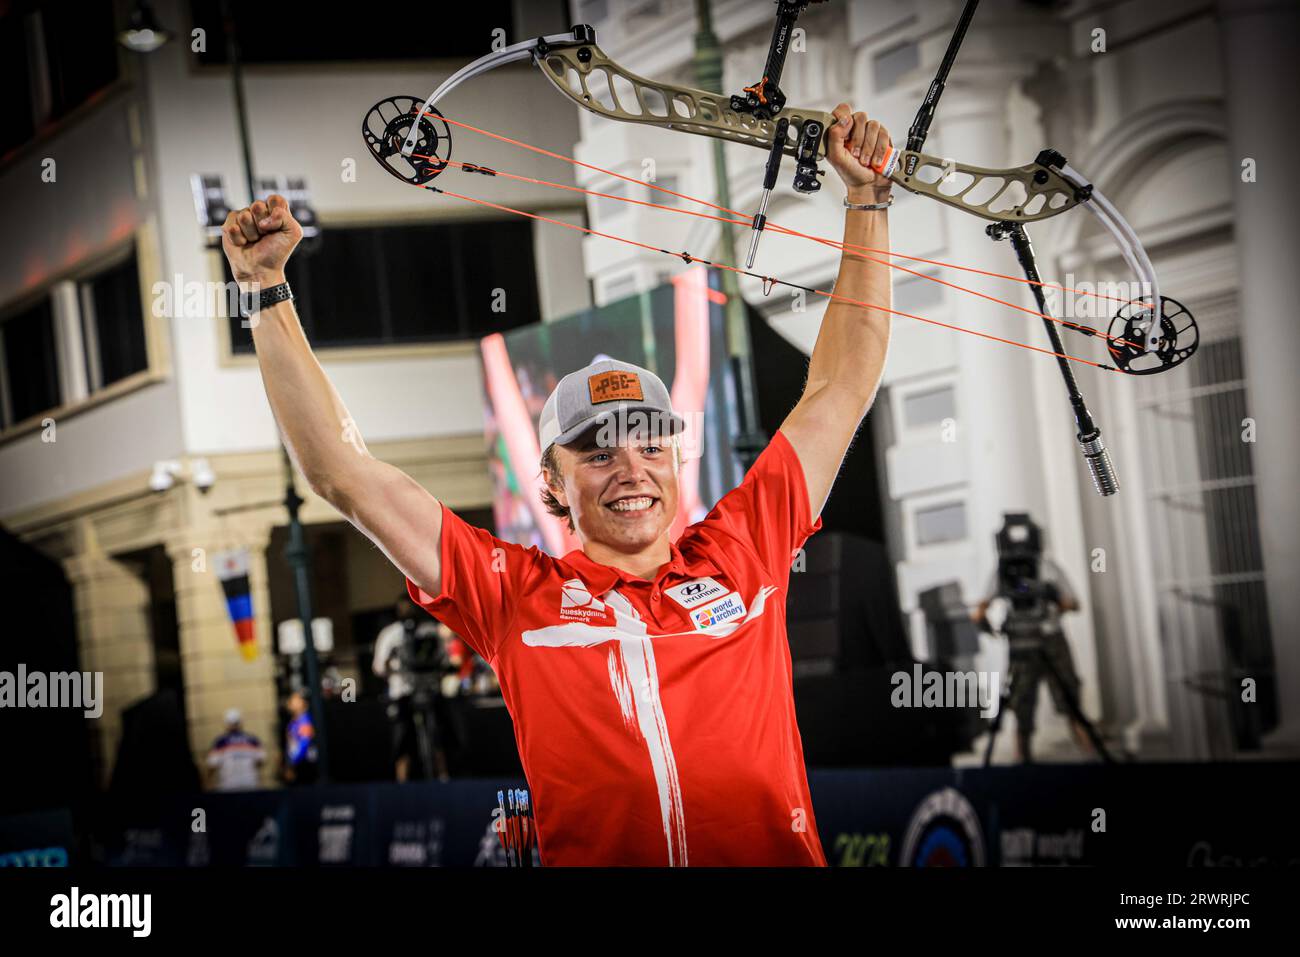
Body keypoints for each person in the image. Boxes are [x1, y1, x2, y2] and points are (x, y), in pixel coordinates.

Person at [224, 103, 895, 865]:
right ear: (551, 481)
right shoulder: (511, 593)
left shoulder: (746, 548)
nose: (631, 468)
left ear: (678, 458)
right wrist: (266, 290)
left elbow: (840, 385)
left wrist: (867, 201)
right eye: (599, 454)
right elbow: (342, 472)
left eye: (649, 443)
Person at [972, 553, 1095, 763]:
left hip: (1051, 639)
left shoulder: (1048, 568)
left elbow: (1073, 603)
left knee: (1069, 698)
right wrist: (986, 623)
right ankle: (1022, 759)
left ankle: (1090, 753)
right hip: (1021, 641)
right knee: (1022, 702)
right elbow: (981, 608)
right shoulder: (1003, 571)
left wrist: (1052, 599)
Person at [372, 593, 447, 781]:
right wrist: (396, 665)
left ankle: (443, 776)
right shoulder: (390, 634)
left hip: (428, 689)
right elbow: (379, 667)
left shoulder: (429, 630)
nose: (408, 612)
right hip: (401, 692)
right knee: (402, 740)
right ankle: (402, 784)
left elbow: (442, 657)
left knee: (437, 735)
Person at [205, 708, 265, 791]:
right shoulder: (253, 740)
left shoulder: (220, 742)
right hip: (250, 783)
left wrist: (207, 782)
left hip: (227, 785)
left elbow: (212, 765)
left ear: (226, 724)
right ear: (241, 723)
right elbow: (260, 762)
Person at [282, 691, 318, 785]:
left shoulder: (304, 720)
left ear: (304, 703)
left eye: (296, 699)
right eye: (291, 699)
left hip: (305, 765)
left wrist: (291, 766)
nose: (291, 701)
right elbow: (291, 746)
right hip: (298, 765)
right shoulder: (293, 722)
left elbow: (304, 744)